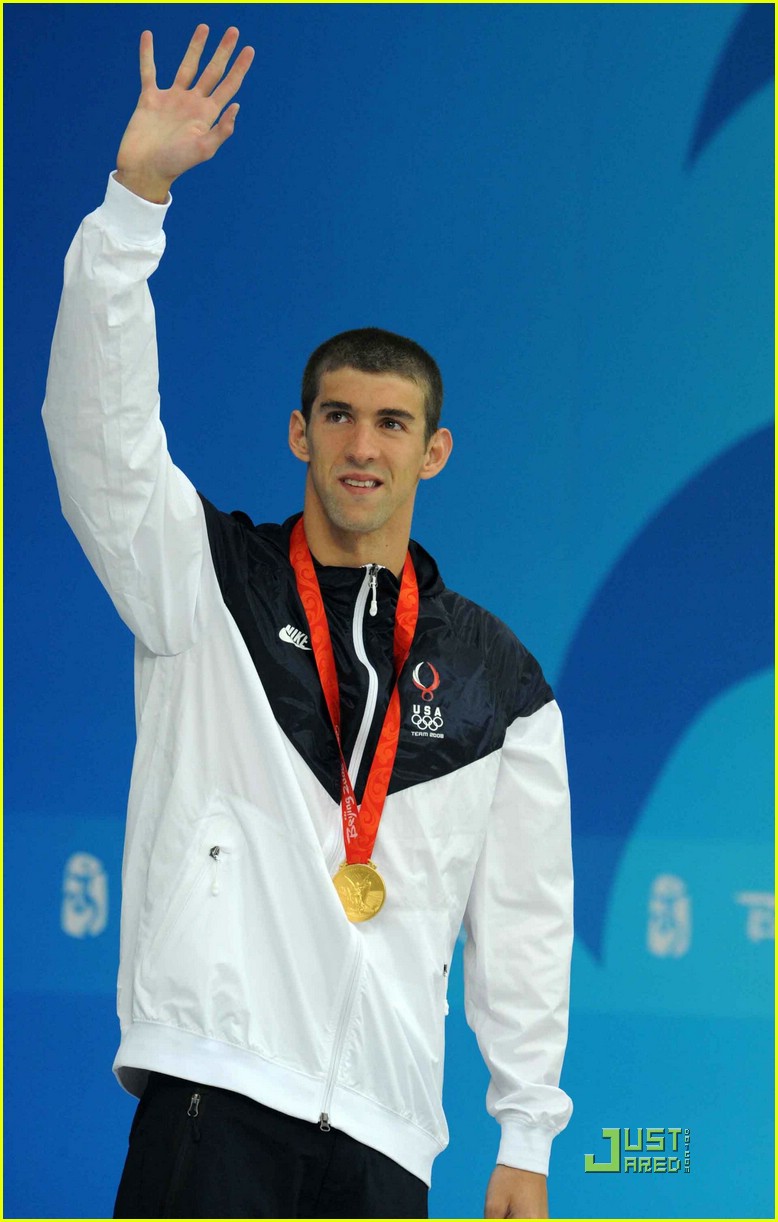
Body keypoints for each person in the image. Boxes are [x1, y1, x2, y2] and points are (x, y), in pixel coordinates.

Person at [42, 24, 573, 1221]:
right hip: (212, 1089)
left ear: (433, 450)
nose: (361, 444)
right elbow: (97, 440)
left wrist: (525, 1133)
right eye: (337, 416)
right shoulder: (204, 577)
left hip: (389, 1136)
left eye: (391, 424)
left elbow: (526, 921)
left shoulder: (500, 682)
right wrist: (135, 205)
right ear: (299, 434)